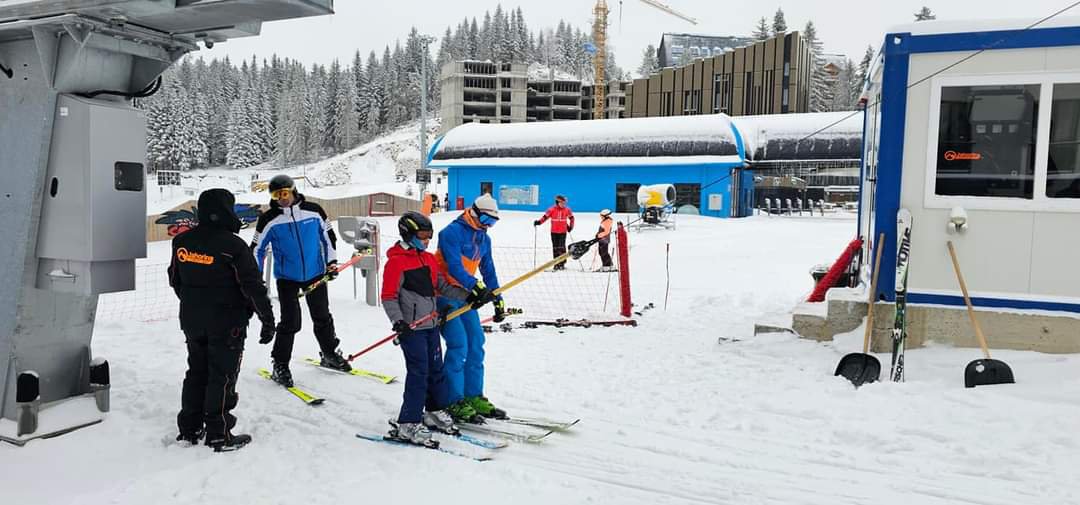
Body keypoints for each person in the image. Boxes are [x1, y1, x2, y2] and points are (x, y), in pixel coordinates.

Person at [169, 188, 276, 452]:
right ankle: (219, 433)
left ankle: (190, 428)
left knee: (196, 371)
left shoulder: (182, 242)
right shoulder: (232, 245)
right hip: (227, 322)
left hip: (192, 319)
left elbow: (175, 279)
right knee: (222, 376)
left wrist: (194, 302)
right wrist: (267, 318)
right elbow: (252, 285)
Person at [251, 174, 351, 387]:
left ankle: (330, 353)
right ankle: (280, 364)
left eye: (285, 193)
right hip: (287, 278)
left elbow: (328, 238)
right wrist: (256, 279)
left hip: (316, 273)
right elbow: (257, 250)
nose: (282, 198)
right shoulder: (269, 219)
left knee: (322, 316)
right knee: (290, 322)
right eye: (277, 195)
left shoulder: (314, 211)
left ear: (293, 190)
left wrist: (331, 263)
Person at [381, 212, 469, 445]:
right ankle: (408, 422)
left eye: (429, 236)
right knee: (419, 372)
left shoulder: (428, 259)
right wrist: (399, 322)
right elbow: (389, 297)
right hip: (411, 329)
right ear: (408, 233)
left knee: (436, 370)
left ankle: (433, 411)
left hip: (430, 324)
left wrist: (468, 296)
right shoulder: (396, 263)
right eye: (422, 235)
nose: (427, 240)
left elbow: (440, 286)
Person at [436, 194, 508, 422]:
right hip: (444, 294)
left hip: (466, 296)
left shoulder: (484, 239)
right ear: (474, 213)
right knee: (459, 345)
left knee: (476, 343)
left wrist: (497, 297)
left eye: (493, 223)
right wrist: (476, 286)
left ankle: (473, 396)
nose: (488, 226)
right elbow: (455, 267)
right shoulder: (451, 233)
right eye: (486, 220)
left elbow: (488, 269)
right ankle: (453, 400)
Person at [533, 194, 575, 270]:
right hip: (554, 232)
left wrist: (570, 227)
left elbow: (572, 218)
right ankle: (556, 263)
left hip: (562, 232)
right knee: (555, 247)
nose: (563, 204)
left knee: (561, 247)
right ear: (557, 202)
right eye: (561, 203)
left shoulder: (567, 209)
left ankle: (562, 263)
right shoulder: (552, 209)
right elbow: (545, 217)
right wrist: (539, 222)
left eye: (564, 203)